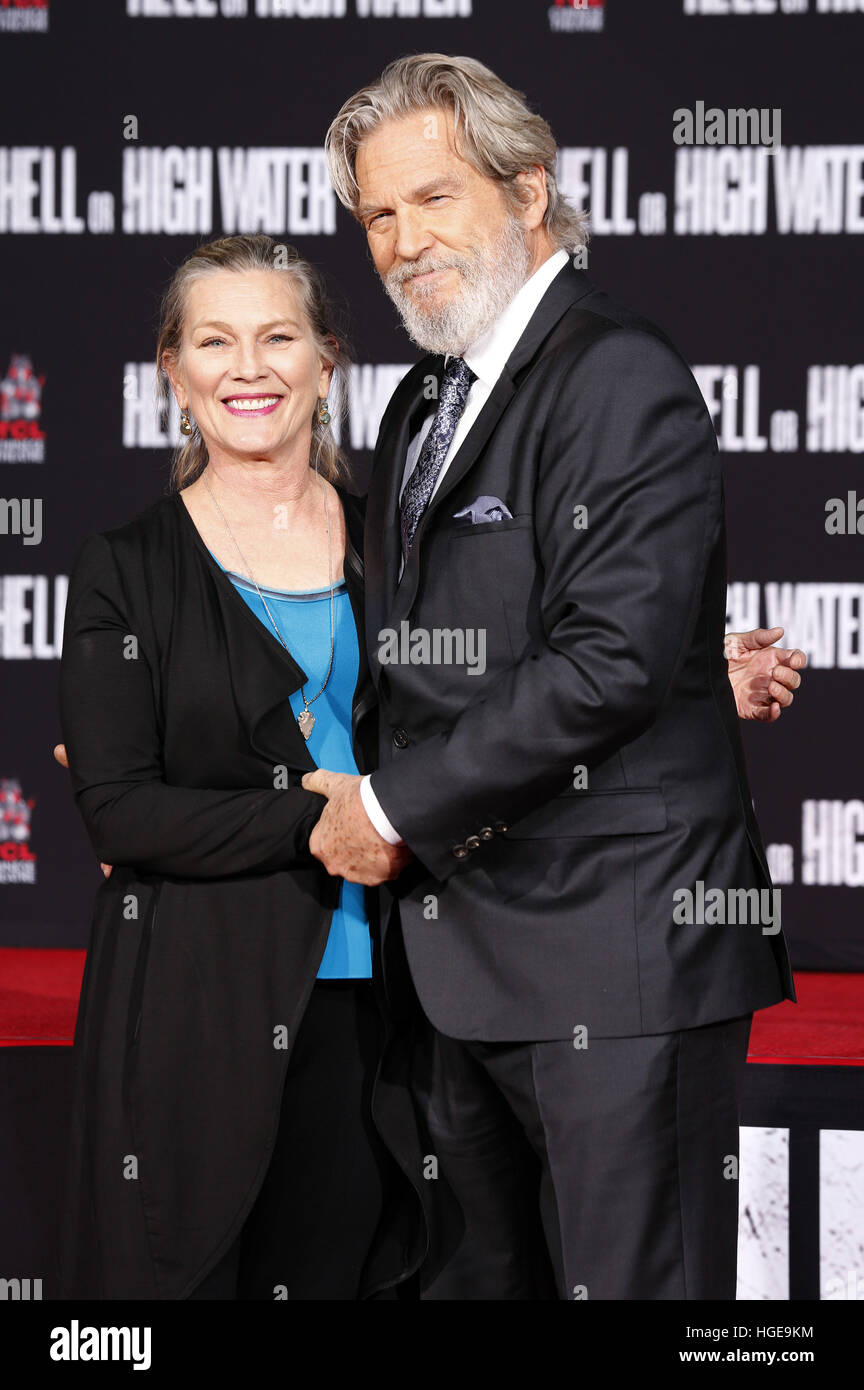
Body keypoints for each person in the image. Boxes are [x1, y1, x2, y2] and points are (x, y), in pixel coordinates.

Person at [302, 53, 803, 1300]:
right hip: (455, 967)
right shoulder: (421, 401)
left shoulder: (617, 373)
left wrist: (388, 810)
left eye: (435, 197)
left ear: (528, 190)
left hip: (616, 958)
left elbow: (608, 660)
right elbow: (429, 650)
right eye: (378, 215)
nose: (405, 241)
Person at [55, 233, 421, 1300]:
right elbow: (120, 812)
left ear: (328, 362)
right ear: (173, 372)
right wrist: (316, 821)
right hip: (194, 1005)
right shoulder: (126, 568)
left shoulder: (399, 554)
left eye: (278, 338)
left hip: (386, 1001)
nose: (248, 368)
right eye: (214, 342)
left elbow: (516, 703)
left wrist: (690, 671)